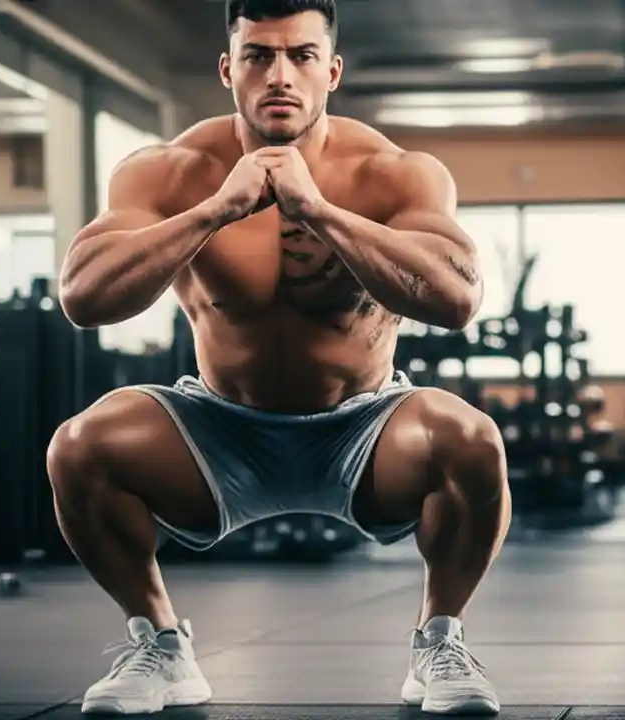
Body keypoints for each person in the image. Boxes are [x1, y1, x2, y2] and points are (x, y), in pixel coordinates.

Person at [47, 0, 507, 715]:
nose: (280, 75)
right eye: (259, 56)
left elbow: (455, 299)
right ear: (229, 68)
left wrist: (319, 209)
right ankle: (161, 646)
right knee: (79, 447)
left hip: (366, 426)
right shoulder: (171, 173)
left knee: (474, 440)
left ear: (333, 70)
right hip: (218, 429)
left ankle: (439, 641)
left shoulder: (395, 173)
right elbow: (82, 297)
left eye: (301, 55)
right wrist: (213, 212)